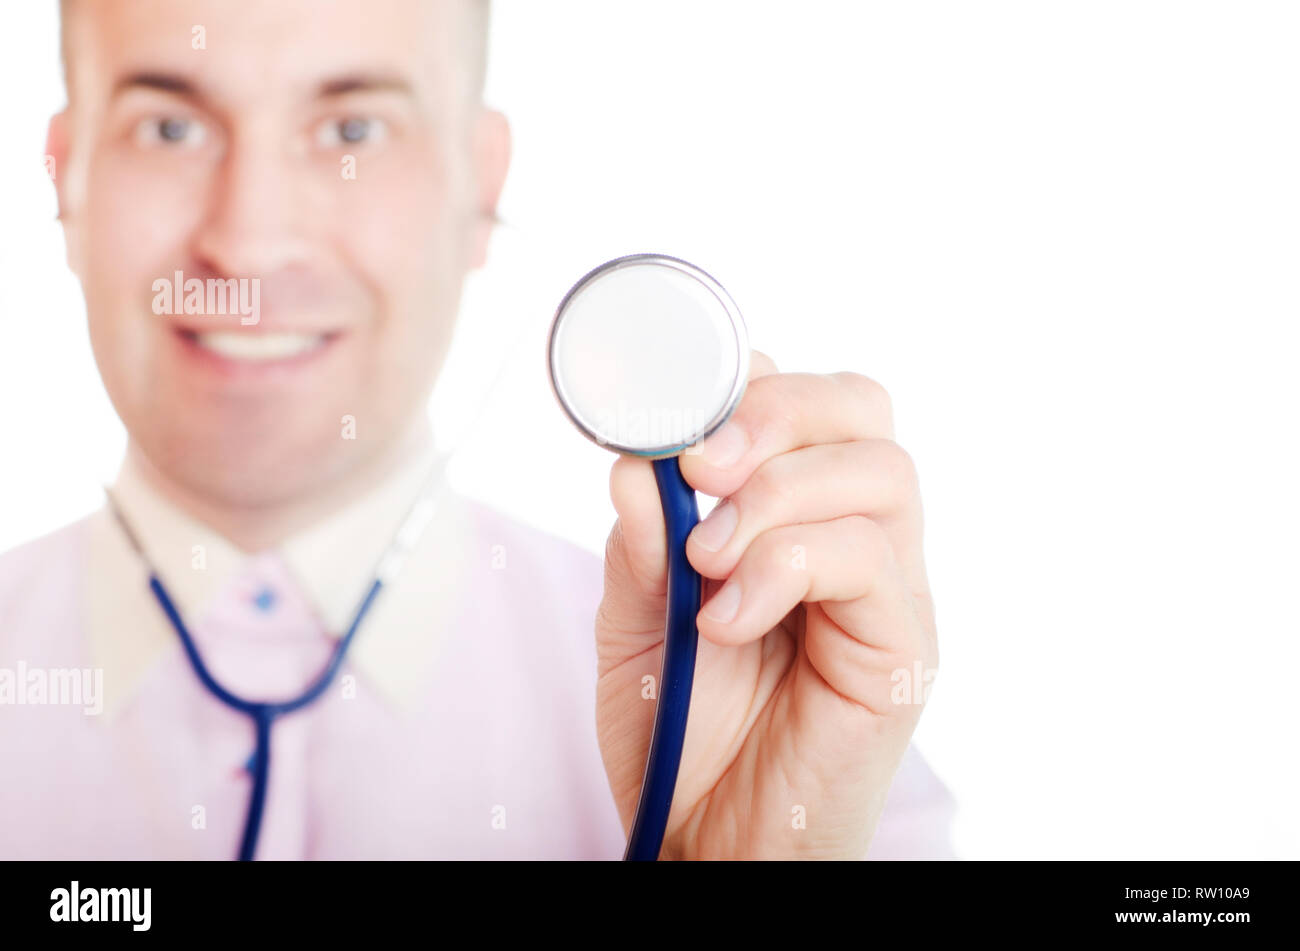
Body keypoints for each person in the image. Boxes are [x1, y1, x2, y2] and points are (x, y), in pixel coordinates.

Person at [0, 0, 955, 860]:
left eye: (352, 129)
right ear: (64, 176)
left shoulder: (784, 735)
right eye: (169, 127)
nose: (249, 242)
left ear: (481, 184)